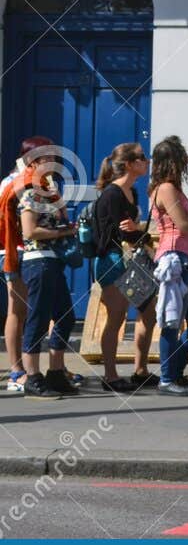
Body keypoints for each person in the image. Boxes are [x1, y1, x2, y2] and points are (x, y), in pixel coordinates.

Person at [148, 136, 188, 397]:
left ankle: (175, 371)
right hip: (175, 259)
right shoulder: (166, 189)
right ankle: (167, 377)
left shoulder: (168, 188)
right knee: (172, 322)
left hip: (185, 259)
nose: (185, 163)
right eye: (181, 158)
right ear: (171, 162)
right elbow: (184, 226)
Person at [91, 143, 157, 393]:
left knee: (148, 313)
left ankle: (140, 370)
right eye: (142, 158)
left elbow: (133, 230)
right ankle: (110, 375)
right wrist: (137, 232)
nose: (147, 161)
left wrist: (139, 232)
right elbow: (113, 233)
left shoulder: (133, 193)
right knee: (117, 317)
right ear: (129, 164)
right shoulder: (112, 194)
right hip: (112, 261)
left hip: (132, 261)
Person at [17, 147, 78, 398]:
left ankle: (55, 372)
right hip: (38, 261)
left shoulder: (50, 193)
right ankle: (32, 377)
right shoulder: (31, 193)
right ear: (36, 162)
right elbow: (30, 231)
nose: (54, 163)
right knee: (38, 320)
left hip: (53, 262)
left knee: (65, 317)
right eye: (49, 159)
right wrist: (63, 232)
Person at [3, 135, 52, 393]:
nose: (53, 161)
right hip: (15, 250)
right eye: (48, 157)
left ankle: (48, 368)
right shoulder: (16, 182)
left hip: (33, 251)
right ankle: (16, 370)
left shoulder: (40, 181)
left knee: (38, 309)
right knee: (18, 310)